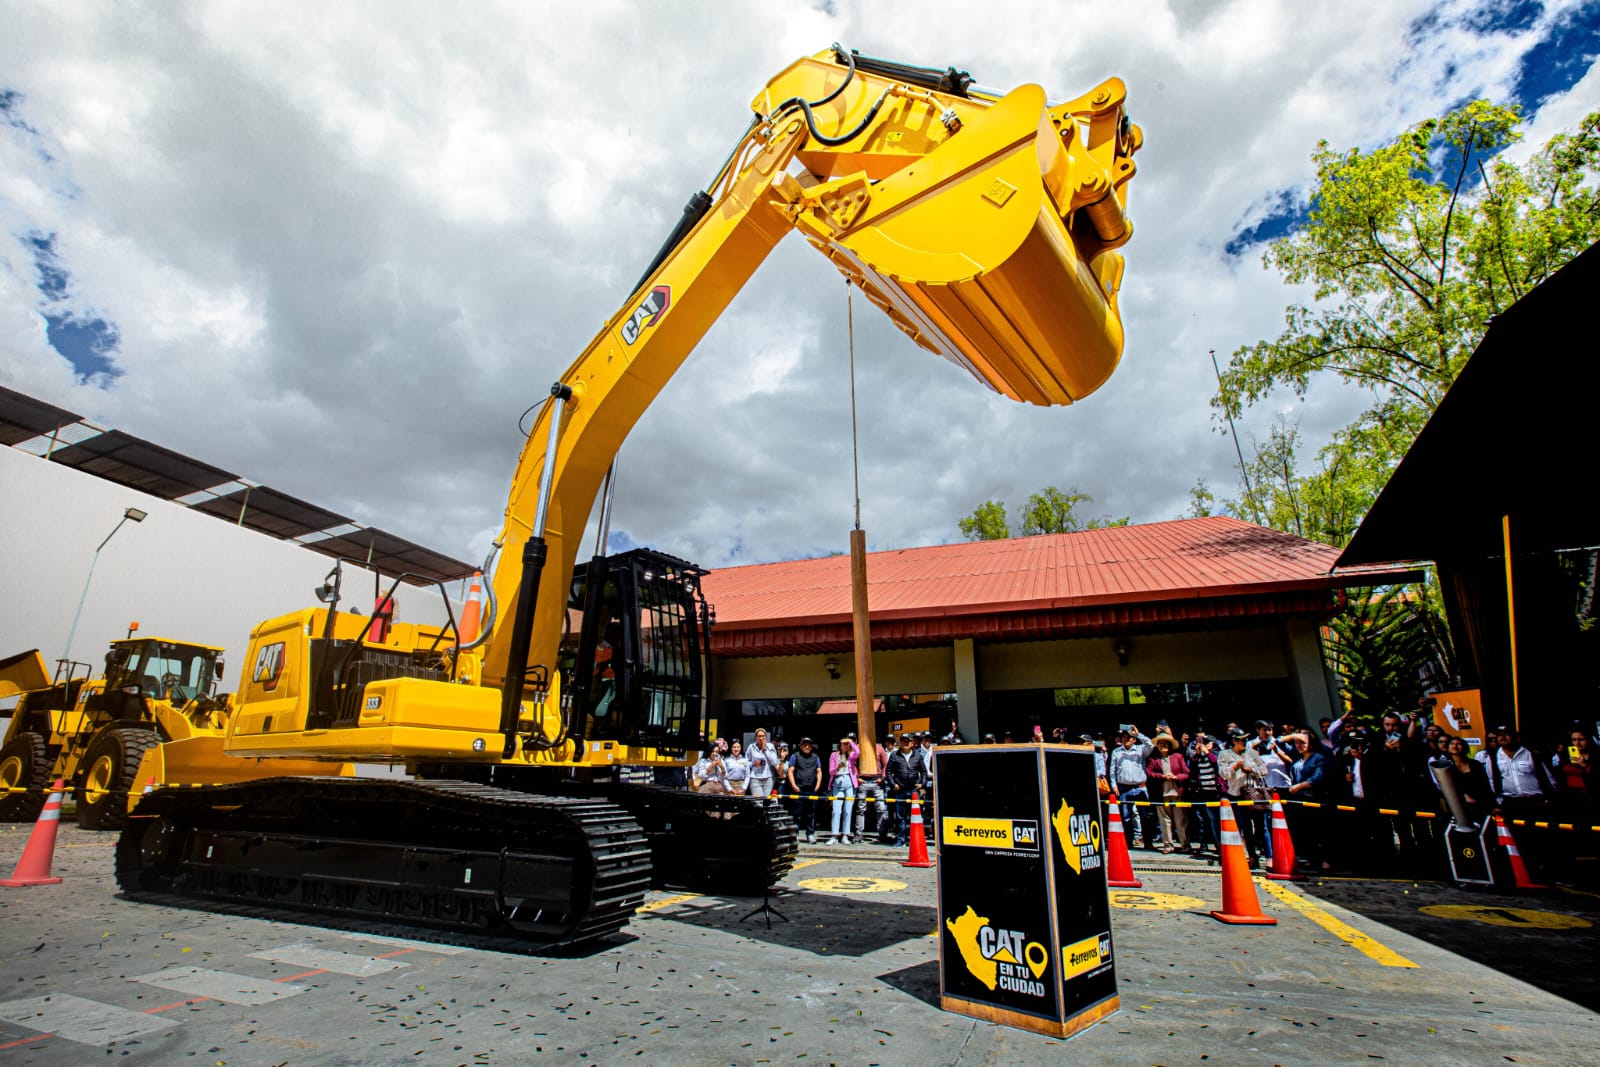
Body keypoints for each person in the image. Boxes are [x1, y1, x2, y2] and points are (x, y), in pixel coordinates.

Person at [1219, 729, 1268, 868]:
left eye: (1246, 739)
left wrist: (1251, 769)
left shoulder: (1251, 752)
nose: (1244, 742)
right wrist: (1235, 766)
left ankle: (1266, 853)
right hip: (1236, 794)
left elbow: (1264, 769)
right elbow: (1224, 774)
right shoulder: (1224, 754)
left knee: (1260, 826)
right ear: (1234, 741)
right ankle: (1252, 855)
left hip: (1254, 793)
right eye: (1241, 739)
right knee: (1245, 826)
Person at [1285, 733, 1330, 870]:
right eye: (1297, 743)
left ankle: (1326, 860)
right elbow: (1279, 743)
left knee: (1320, 831)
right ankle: (1311, 858)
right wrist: (1293, 735)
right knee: (1306, 831)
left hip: (1314, 798)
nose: (1299, 746)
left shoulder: (1318, 758)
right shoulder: (1297, 760)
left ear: (1310, 744)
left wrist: (1299, 786)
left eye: (1302, 743)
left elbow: (1317, 778)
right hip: (1299, 800)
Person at [1144, 734, 1188, 853]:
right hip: (1161, 793)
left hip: (1176, 792)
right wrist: (1162, 776)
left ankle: (1184, 844)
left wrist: (1175, 777)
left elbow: (1186, 773)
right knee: (1164, 820)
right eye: (1160, 743)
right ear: (1157, 746)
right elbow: (1149, 773)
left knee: (1180, 820)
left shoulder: (1178, 756)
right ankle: (1168, 845)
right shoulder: (1154, 759)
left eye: (1166, 743)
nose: (1163, 745)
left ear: (1169, 745)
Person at [1109, 731, 1151, 848]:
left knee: (1144, 816)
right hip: (1123, 788)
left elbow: (1151, 745)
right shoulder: (1116, 752)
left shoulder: (1140, 750)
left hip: (1139, 787)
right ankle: (1128, 842)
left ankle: (1148, 842)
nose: (1126, 739)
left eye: (1129, 737)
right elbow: (1113, 770)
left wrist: (1138, 734)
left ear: (1134, 739)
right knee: (1125, 816)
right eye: (1124, 737)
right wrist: (1114, 785)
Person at [885, 732, 926, 847]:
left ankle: (915, 839)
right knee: (900, 816)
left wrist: (922, 783)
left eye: (908, 741)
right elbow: (888, 772)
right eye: (903, 741)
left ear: (912, 743)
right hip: (900, 790)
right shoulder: (895, 755)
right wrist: (893, 784)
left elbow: (923, 771)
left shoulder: (917, 755)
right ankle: (900, 839)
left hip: (913, 789)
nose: (905, 743)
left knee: (916, 815)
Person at [1187, 733, 1221, 854]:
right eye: (1203, 743)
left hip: (1218, 792)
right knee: (1211, 819)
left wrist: (1207, 752)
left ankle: (1222, 844)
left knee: (1220, 819)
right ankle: (1217, 843)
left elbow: (1217, 764)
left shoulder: (1217, 754)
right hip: (1205, 792)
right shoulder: (1200, 757)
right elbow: (1192, 767)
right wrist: (1197, 753)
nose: (1204, 745)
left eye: (1207, 743)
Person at [788, 737, 824, 843]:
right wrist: (794, 785)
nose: (807, 747)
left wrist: (818, 785)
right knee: (797, 813)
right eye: (804, 745)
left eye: (809, 745)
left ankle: (810, 834)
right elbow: (790, 771)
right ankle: (796, 834)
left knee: (811, 813)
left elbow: (819, 771)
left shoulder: (816, 757)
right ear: (800, 745)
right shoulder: (795, 756)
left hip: (812, 788)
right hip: (799, 788)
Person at [827, 736, 859, 844]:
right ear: (839, 745)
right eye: (843, 744)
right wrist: (838, 768)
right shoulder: (834, 755)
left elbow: (858, 752)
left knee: (848, 810)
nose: (845, 746)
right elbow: (831, 772)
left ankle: (845, 835)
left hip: (849, 783)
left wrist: (851, 741)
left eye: (847, 744)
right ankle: (834, 835)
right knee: (836, 810)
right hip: (838, 782)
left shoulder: (851, 755)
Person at [746, 728, 780, 799]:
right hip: (755, 778)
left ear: (765, 737)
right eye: (759, 736)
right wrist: (753, 763)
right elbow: (745, 763)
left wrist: (766, 750)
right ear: (755, 737)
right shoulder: (751, 747)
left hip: (768, 778)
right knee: (758, 801)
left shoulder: (770, 746)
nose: (761, 738)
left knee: (765, 800)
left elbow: (774, 762)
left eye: (763, 736)